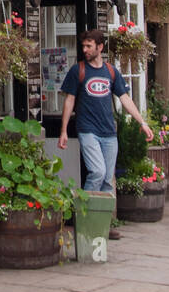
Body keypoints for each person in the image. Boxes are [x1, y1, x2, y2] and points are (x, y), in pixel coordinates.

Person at [57, 28, 154, 237]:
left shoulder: (110, 71)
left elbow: (125, 98)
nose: (85, 49)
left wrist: (142, 122)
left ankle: (102, 224)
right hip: (87, 130)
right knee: (98, 172)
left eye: (89, 46)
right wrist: (64, 130)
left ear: (100, 47)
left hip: (109, 132)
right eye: (83, 46)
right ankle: (84, 216)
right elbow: (69, 100)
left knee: (107, 179)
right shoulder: (78, 70)